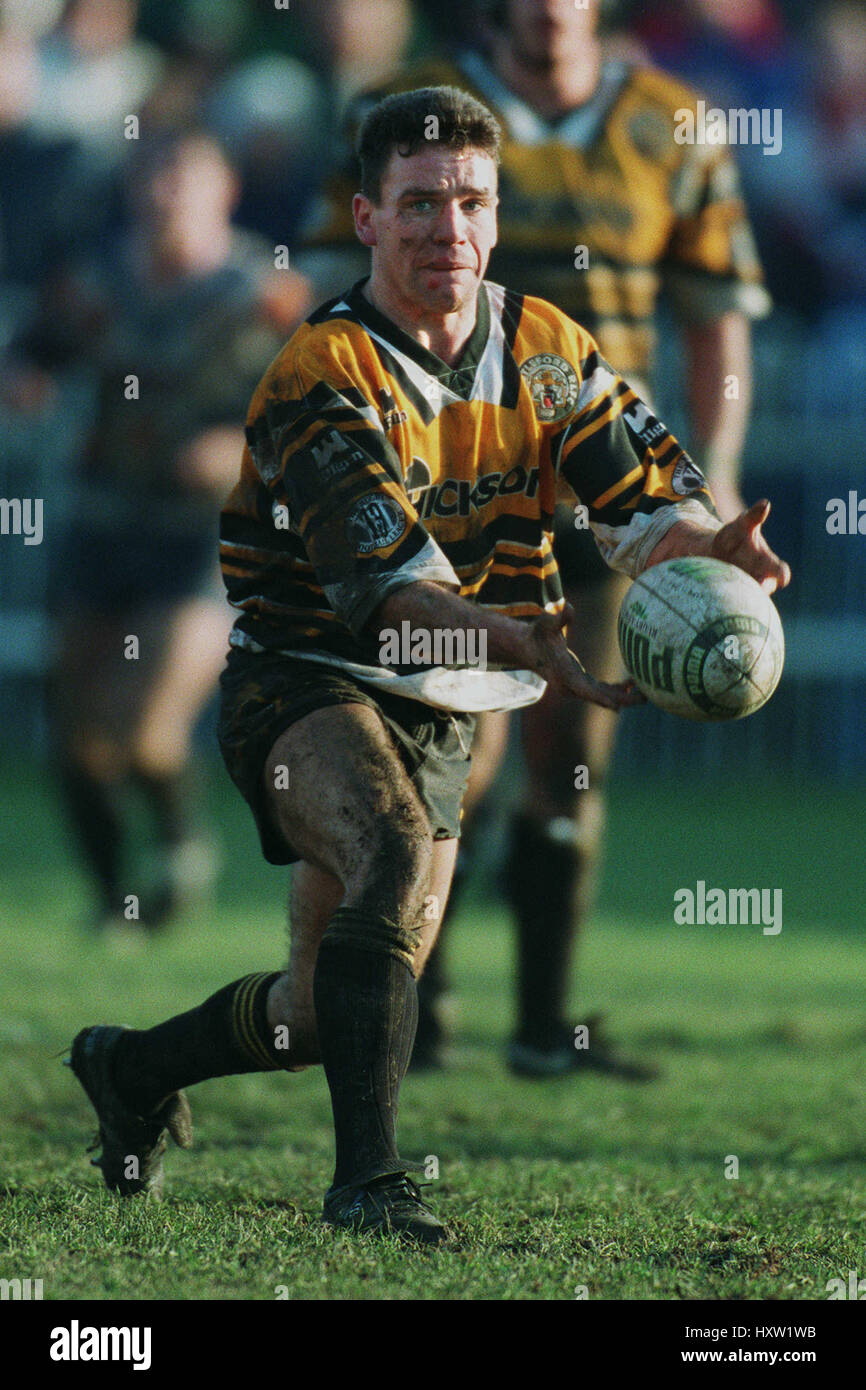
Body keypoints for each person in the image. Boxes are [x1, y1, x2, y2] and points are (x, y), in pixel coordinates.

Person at [67, 87, 789, 1242]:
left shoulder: (548, 350)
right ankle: (369, 1184)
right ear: (364, 217)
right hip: (306, 675)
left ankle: (132, 1068)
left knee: (319, 1014)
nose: (443, 228)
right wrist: (531, 644)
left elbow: (640, 503)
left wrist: (712, 549)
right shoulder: (323, 370)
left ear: (494, 219)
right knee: (393, 857)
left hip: (450, 702)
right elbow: (389, 600)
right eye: (415, 204)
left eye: (466, 203)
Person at [300, 0, 772, 1075]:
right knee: (449, 747)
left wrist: (714, 477)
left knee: (570, 753)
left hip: (603, 495)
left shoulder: (674, 122)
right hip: (446, 485)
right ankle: (418, 1004)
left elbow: (715, 317)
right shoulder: (405, 107)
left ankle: (542, 1025)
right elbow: (327, 287)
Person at [12, 130, 309, 932]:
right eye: (154, 176)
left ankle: (182, 849)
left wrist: (241, 446)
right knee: (77, 738)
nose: (166, 194)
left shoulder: (268, 295)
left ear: (227, 192)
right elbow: (33, 358)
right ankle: (114, 900)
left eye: (186, 177)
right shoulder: (95, 284)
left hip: (207, 536)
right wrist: (27, 385)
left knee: (146, 730)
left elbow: (330, 408)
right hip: (102, 522)